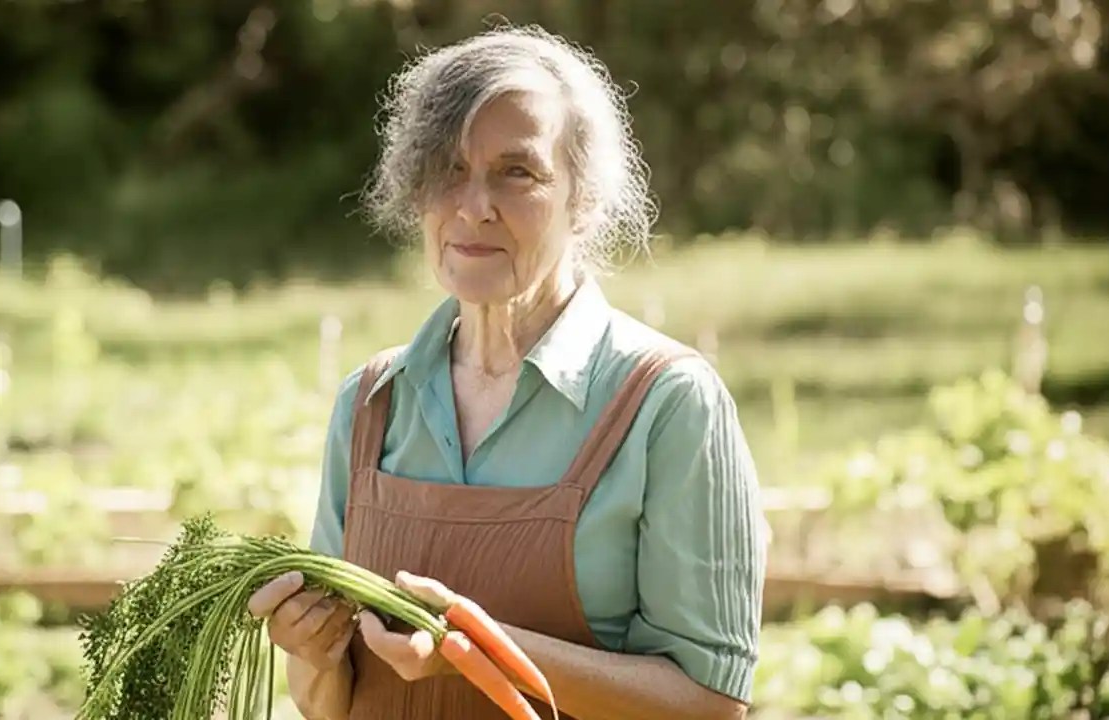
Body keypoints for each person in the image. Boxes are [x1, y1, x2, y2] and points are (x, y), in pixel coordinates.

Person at [246, 23, 767, 720]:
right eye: (448, 170)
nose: (473, 206)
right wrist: (312, 652)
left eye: (516, 172)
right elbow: (330, 703)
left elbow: (709, 704)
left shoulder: (667, 403)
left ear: (581, 199)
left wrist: (477, 645)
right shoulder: (373, 404)